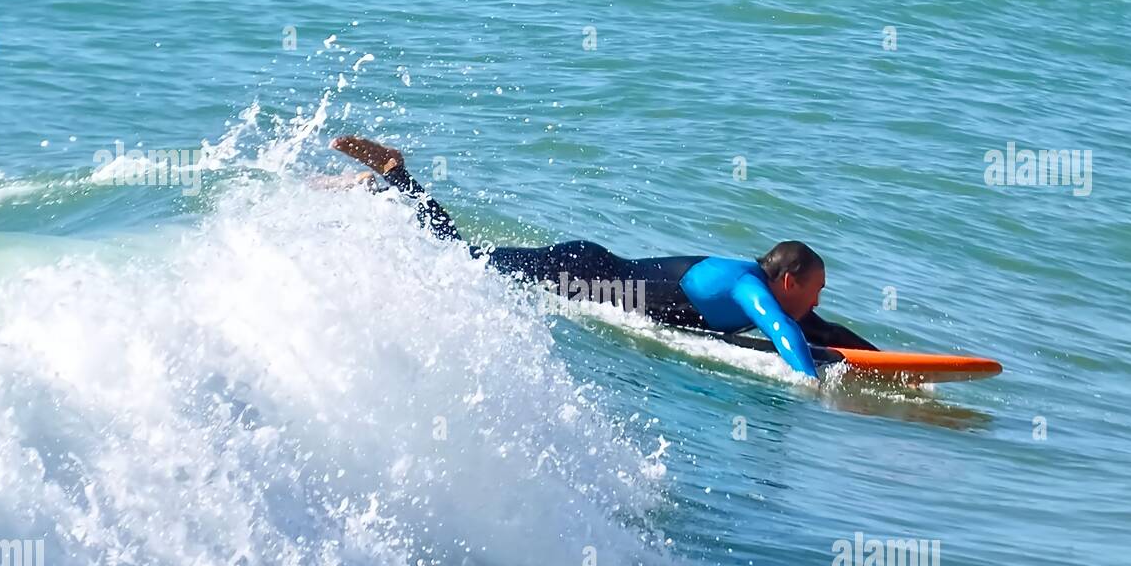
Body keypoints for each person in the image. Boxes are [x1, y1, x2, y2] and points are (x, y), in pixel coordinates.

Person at [327, 135, 878, 377]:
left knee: (465, 252)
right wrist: (807, 384)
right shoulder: (747, 288)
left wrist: (895, 367)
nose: (821, 297)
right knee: (459, 256)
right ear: (787, 281)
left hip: (600, 265)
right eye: (817, 286)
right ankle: (395, 177)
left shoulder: (762, 287)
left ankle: (385, 190)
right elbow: (784, 335)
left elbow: (820, 329)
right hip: (584, 274)